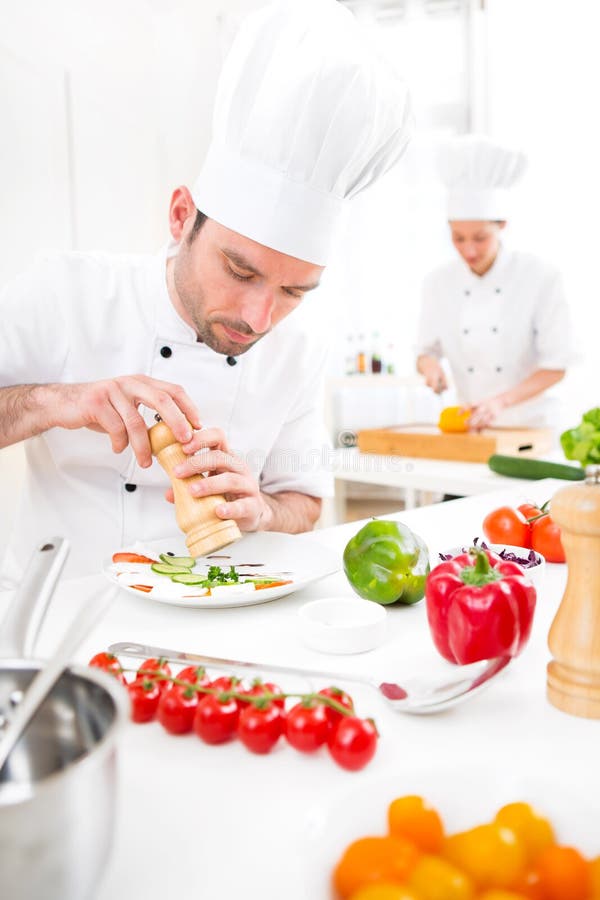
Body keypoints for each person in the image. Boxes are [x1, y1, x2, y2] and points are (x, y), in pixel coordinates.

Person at [0, 0, 412, 582]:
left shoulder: (299, 351)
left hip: (216, 616)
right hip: (54, 611)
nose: (259, 317)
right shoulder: (67, 293)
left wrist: (262, 509)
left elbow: (306, 501)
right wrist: (56, 403)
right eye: (240, 272)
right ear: (180, 216)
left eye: (295, 290)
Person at [416, 135, 573, 431]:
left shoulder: (540, 276)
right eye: (458, 238)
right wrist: (430, 367)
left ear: (502, 225)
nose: (469, 250)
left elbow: (557, 365)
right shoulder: (437, 282)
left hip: (531, 427)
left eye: (480, 238)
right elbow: (425, 351)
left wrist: (500, 402)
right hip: (472, 426)